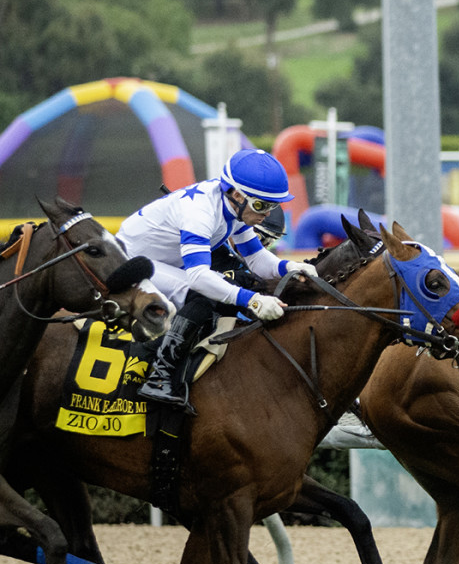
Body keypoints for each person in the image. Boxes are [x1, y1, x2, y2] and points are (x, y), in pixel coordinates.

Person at [120, 148, 318, 410]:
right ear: (237, 194)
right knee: (202, 296)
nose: (267, 214)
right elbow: (199, 277)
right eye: (261, 205)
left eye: (273, 205)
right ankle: (161, 377)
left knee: (224, 295)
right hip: (131, 261)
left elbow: (257, 259)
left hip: (162, 262)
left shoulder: (235, 208)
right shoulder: (200, 212)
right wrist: (254, 300)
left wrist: (290, 267)